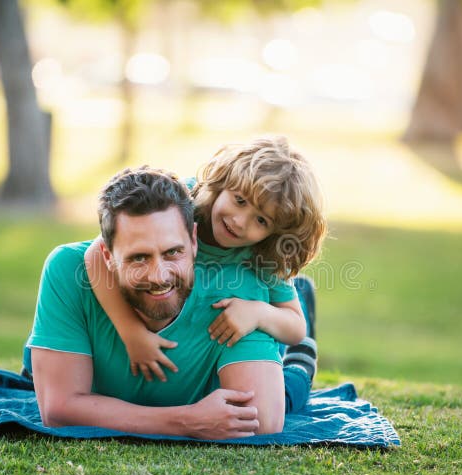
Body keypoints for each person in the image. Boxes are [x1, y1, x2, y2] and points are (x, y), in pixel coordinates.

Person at [23, 167, 288, 439]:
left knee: (293, 385)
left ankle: (302, 353)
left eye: (173, 252)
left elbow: (261, 422)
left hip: (272, 351)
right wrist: (187, 421)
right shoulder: (69, 270)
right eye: (139, 257)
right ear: (107, 254)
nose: (159, 277)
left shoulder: (238, 292)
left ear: (194, 241)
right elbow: (58, 411)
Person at [83, 136, 327, 413]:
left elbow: (295, 328)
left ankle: (301, 357)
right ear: (223, 182)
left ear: (275, 231)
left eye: (261, 220)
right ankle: (300, 291)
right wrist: (132, 333)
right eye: (239, 200)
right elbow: (95, 254)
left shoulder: (264, 257)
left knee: (279, 399)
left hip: (247, 340)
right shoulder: (180, 203)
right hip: (193, 344)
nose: (239, 221)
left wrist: (258, 312)